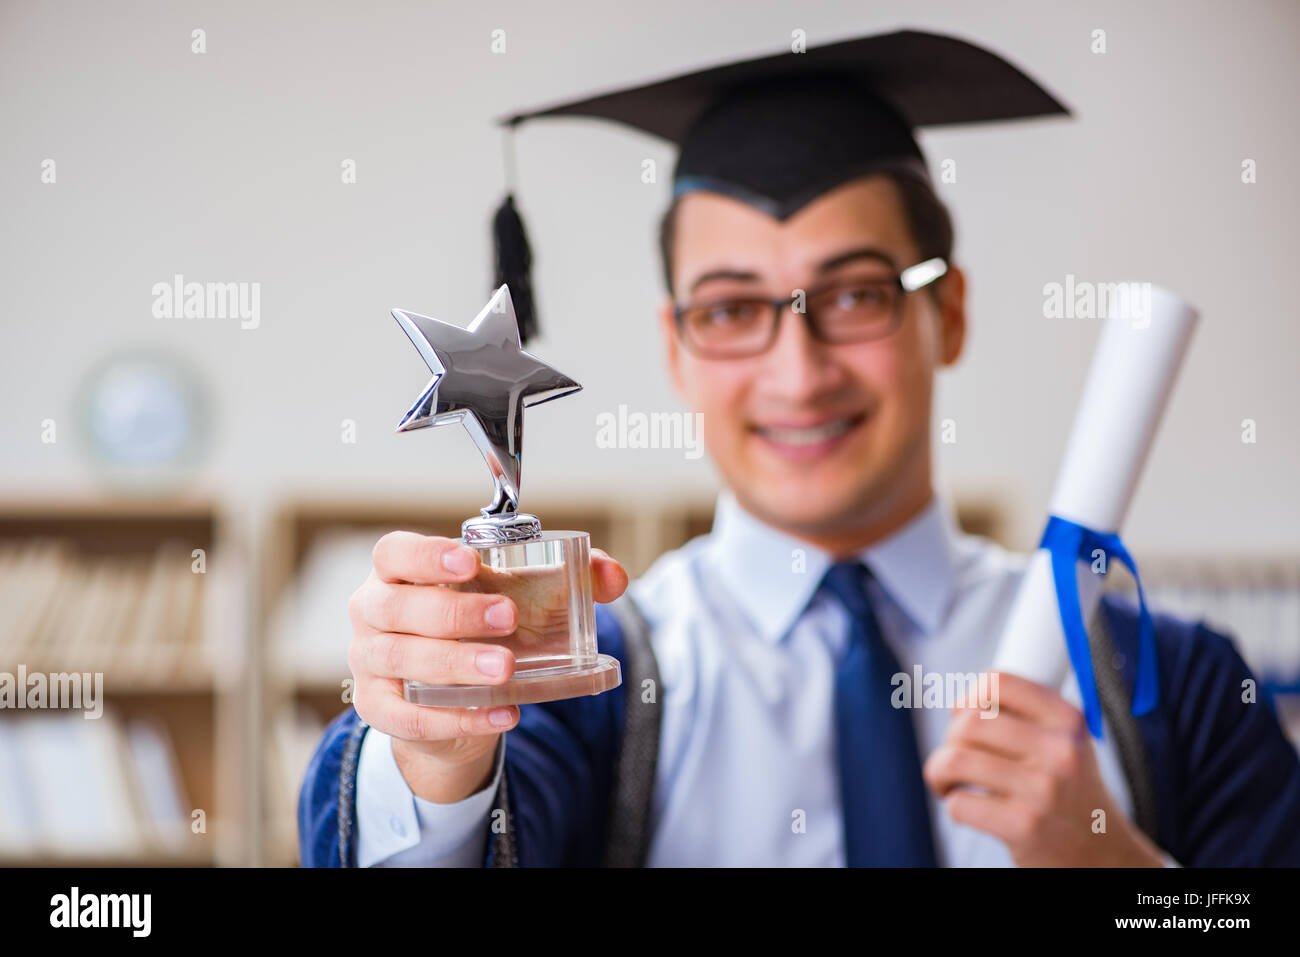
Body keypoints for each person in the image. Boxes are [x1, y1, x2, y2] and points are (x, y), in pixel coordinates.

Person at [298, 30, 1300, 867]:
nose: (797, 371)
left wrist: (1125, 878)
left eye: (857, 295)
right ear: (677, 349)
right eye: (732, 309)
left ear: (947, 313)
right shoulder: (595, 681)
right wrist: (435, 753)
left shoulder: (1167, 682)